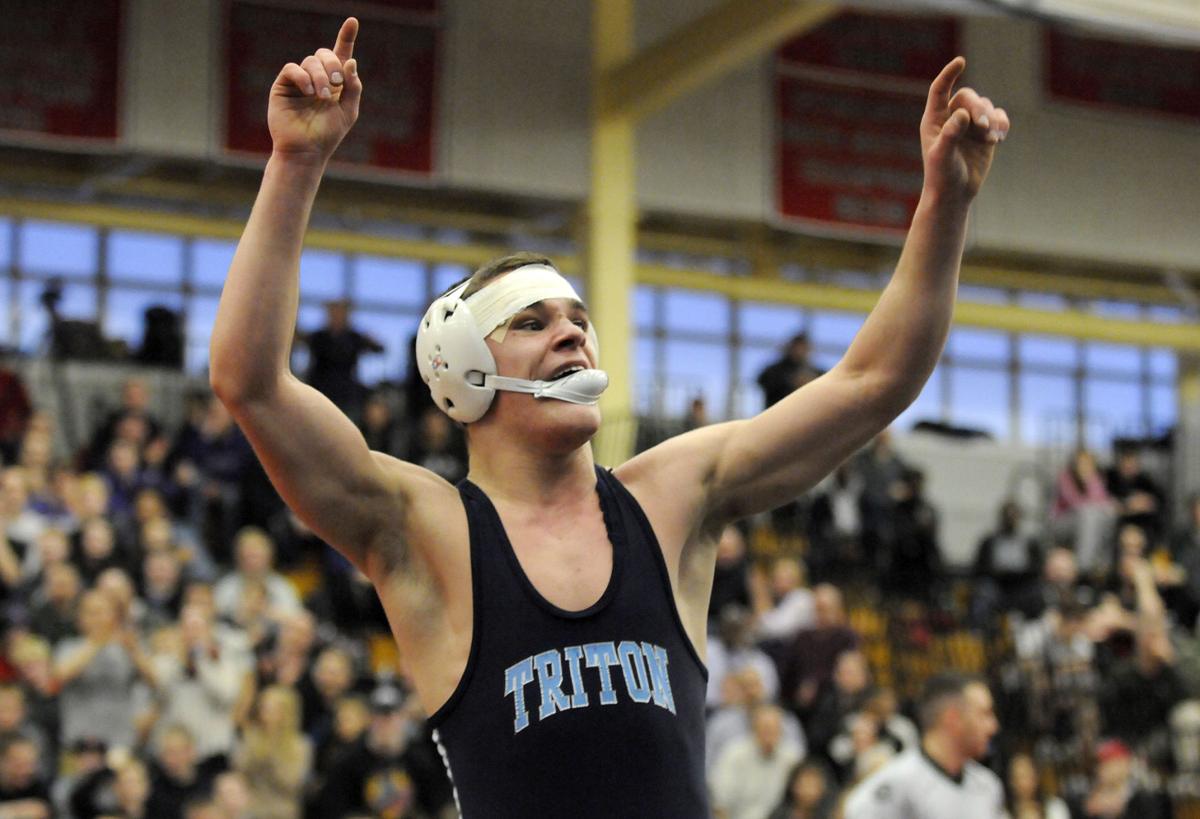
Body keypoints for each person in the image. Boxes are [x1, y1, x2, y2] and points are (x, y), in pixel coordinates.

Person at [208, 16, 1008, 817]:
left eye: (576, 318)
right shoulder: (427, 531)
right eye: (531, 321)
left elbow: (875, 380)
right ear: (460, 374)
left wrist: (946, 201)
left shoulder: (670, 496)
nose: (570, 331)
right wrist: (297, 161)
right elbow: (251, 382)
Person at [843, 672, 1004, 818]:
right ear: (953, 719)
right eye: (984, 714)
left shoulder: (987, 786)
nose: (993, 726)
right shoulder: (897, 784)